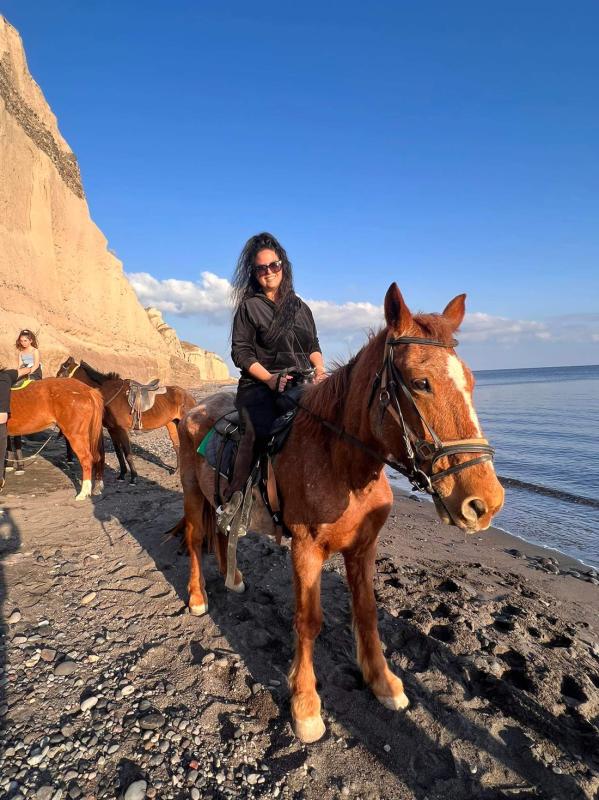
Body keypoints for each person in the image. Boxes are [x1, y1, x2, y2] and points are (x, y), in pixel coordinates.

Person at [216, 232, 327, 532]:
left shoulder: (301, 308)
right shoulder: (249, 307)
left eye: (273, 266)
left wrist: (319, 370)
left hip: (300, 382)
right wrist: (269, 379)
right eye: (261, 268)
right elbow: (241, 352)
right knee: (257, 430)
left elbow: (312, 345)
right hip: (258, 385)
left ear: (283, 266)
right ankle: (236, 501)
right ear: (254, 273)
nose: (268, 273)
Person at [0, 364, 36, 494]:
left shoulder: (6, 376)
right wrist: (26, 369)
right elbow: (23, 370)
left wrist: (29, 369)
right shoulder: (7, 375)